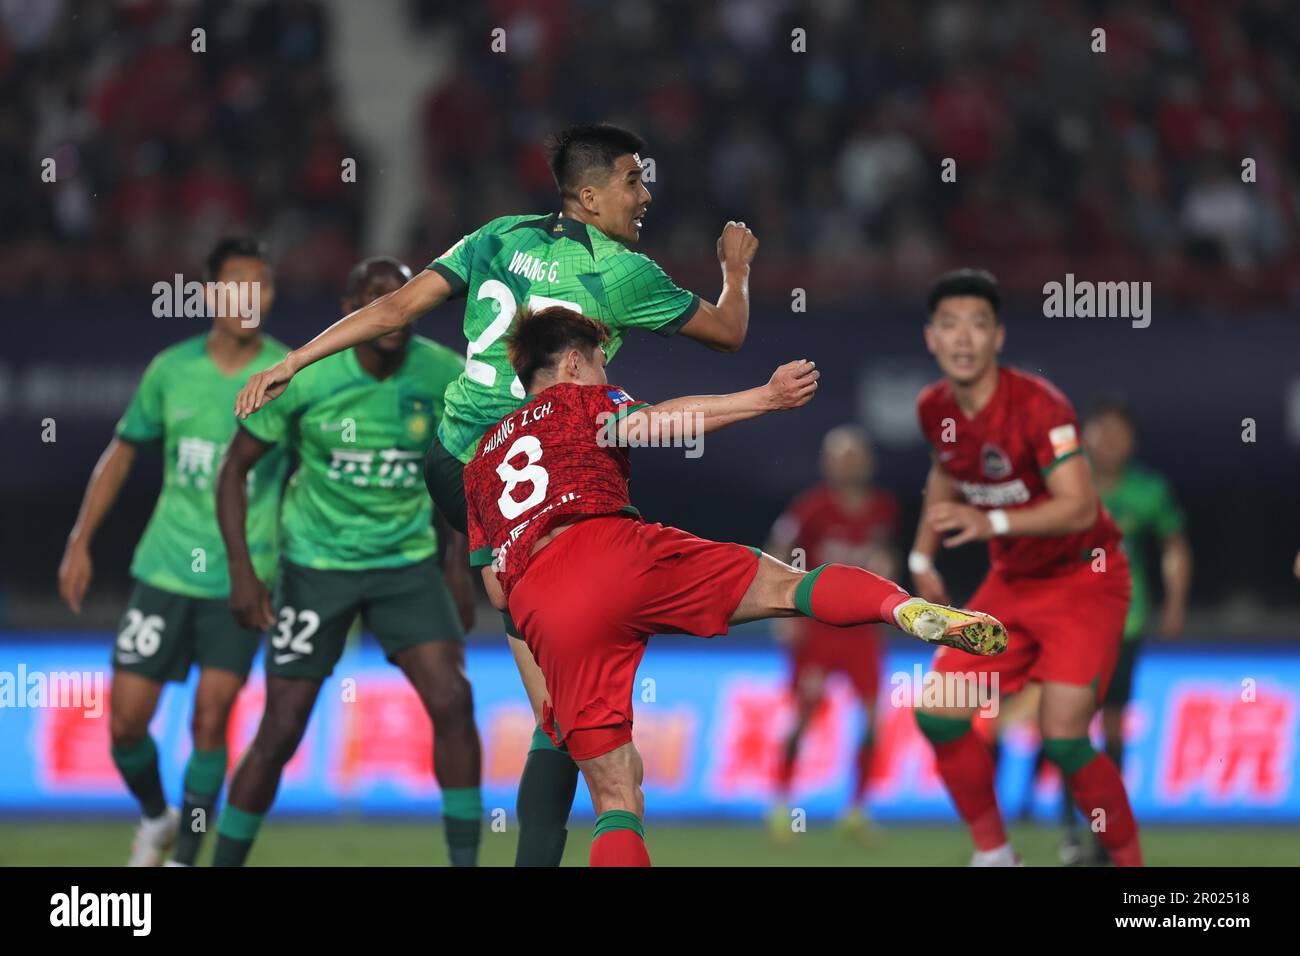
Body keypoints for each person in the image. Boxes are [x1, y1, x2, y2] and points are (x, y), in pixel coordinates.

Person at [235, 123, 760, 866]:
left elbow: (393, 310)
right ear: (590, 194)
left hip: (455, 464)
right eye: (633, 180)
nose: (645, 195)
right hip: (519, 483)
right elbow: (731, 333)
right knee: (560, 718)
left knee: (559, 709)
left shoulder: (495, 235)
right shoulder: (625, 274)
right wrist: (734, 270)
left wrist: (295, 359)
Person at [463, 306, 1007, 866]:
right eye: (601, 363)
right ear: (574, 363)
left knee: (617, 794)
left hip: (541, 604)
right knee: (789, 586)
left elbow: (497, 593)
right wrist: (763, 398)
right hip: (606, 549)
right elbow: (654, 423)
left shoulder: (479, 463)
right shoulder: (580, 400)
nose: (604, 374)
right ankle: (903, 609)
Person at [210, 257, 481, 866]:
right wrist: (243, 571)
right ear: (350, 308)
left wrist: (456, 567)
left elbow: (459, 472)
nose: (392, 307)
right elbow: (233, 471)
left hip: (405, 566)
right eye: (375, 296)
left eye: (403, 295)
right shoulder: (308, 375)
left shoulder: (444, 376)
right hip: (314, 567)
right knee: (280, 729)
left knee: (453, 702)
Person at [57, 237, 288, 866]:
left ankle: (185, 856)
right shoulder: (170, 370)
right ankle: (158, 818)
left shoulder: (289, 372)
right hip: (163, 570)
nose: (253, 297)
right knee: (126, 724)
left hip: (242, 579)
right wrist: (80, 541)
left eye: (263, 284)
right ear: (211, 294)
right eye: (239, 283)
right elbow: (124, 451)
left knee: (211, 720)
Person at [908, 269, 1142, 866]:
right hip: (1010, 583)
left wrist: (994, 524)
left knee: (1064, 738)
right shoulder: (934, 407)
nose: (963, 338)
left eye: (977, 325)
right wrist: (921, 553)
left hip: (1084, 581)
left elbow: (1080, 505)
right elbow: (944, 469)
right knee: (937, 710)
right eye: (950, 325)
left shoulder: (1042, 406)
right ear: (931, 338)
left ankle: (1131, 867)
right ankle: (995, 854)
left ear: (998, 337)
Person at [1051, 396, 1190, 864]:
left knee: (1111, 733)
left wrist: (1174, 603)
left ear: (1132, 440)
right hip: (1069, 623)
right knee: (1066, 730)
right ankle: (1070, 831)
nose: (1109, 442)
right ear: (1085, 435)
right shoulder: (1065, 480)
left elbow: (1174, 546)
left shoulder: (1148, 490)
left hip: (1124, 623)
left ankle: (1104, 834)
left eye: (1119, 432)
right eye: (1101, 431)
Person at [766, 426, 901, 843]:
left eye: (855, 456)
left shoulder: (883, 509)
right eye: (841, 457)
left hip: (862, 631)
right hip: (818, 630)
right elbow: (779, 549)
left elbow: (888, 558)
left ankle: (857, 810)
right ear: (828, 463)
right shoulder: (811, 509)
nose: (849, 465)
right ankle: (781, 805)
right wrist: (782, 611)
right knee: (803, 717)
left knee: (874, 719)